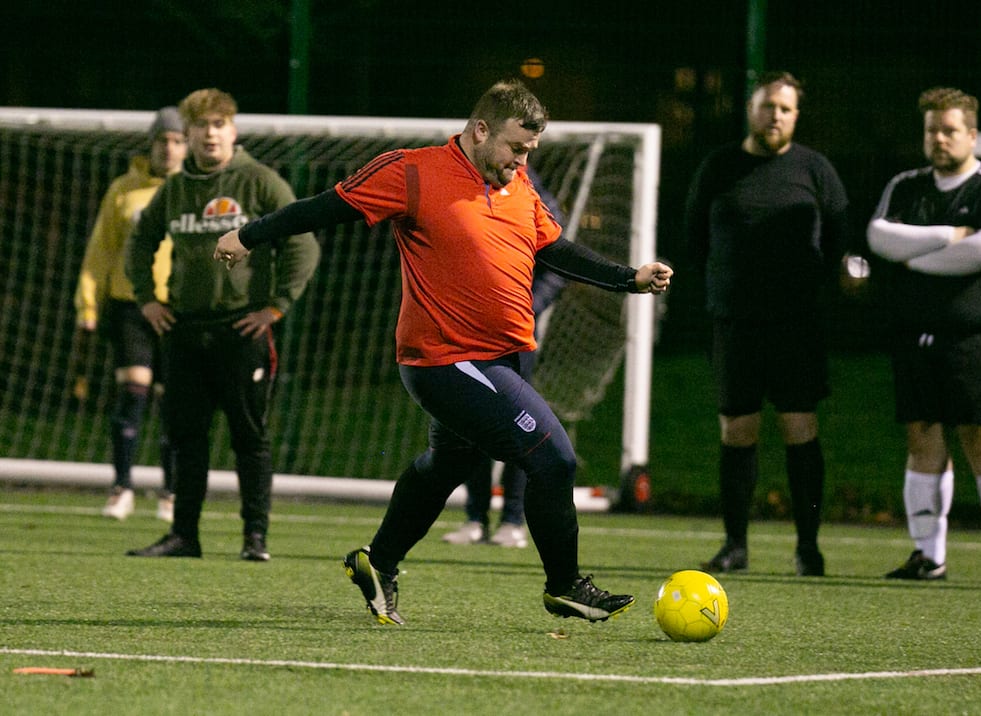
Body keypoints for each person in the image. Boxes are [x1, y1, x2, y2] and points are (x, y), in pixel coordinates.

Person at [214, 79, 672, 623]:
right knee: (555, 459)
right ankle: (565, 586)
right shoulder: (412, 171)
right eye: (515, 148)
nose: (521, 161)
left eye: (530, 151)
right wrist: (249, 234)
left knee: (446, 464)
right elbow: (322, 209)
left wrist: (629, 279)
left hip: (504, 357)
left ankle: (377, 561)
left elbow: (558, 252)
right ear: (480, 130)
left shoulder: (519, 188)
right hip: (449, 359)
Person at [125, 88, 320, 562]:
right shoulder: (174, 189)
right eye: (201, 127)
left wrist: (275, 306)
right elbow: (141, 243)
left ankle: (255, 538)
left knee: (249, 438)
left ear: (233, 131)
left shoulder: (259, 182)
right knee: (184, 438)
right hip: (185, 331)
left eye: (219, 125)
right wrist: (148, 299)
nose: (210, 134)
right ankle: (183, 536)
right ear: (189, 134)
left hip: (242, 331)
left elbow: (303, 245)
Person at [684, 71, 850, 577]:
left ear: (796, 116)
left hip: (796, 323)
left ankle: (808, 547)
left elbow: (841, 242)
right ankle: (735, 544)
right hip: (735, 320)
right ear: (751, 110)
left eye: (784, 108)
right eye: (766, 106)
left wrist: (842, 277)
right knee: (738, 429)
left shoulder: (815, 170)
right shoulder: (719, 167)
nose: (774, 115)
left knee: (800, 427)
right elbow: (693, 239)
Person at [867, 87, 981, 583]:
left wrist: (913, 254)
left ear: (971, 134)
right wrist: (950, 236)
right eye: (932, 131)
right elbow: (880, 237)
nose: (939, 139)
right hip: (915, 334)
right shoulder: (905, 185)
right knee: (921, 435)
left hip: (977, 335)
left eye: (949, 130)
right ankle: (928, 555)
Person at [442, 168, 567, 549]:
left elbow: (557, 269)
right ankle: (475, 517)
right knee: (471, 425)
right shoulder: (464, 195)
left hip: (514, 339)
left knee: (517, 425)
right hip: (465, 334)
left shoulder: (535, 201)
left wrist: (526, 308)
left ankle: (512, 519)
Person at [74, 107, 187, 522]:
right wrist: (88, 301)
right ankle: (121, 487)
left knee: (172, 403)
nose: (170, 149)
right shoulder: (125, 188)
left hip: (178, 310)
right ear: (152, 144)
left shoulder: (193, 189)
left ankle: (171, 493)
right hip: (131, 306)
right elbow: (101, 247)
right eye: (164, 141)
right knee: (132, 395)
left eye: (177, 141)